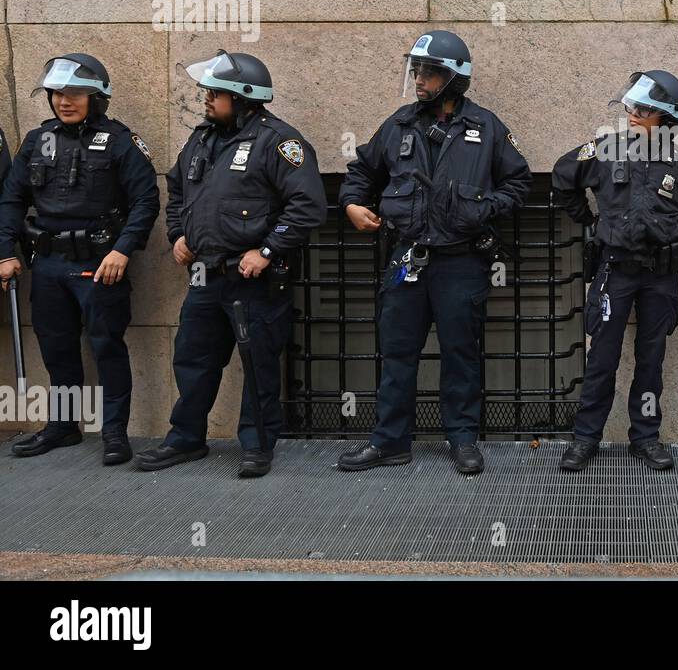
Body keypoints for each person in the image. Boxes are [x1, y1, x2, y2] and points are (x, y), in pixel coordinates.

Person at [337, 31, 530, 476]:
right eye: (417, 70)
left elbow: (518, 184)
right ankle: (389, 442)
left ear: (453, 78)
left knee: (461, 352)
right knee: (397, 352)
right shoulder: (399, 124)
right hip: (408, 257)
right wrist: (351, 205)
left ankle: (462, 439)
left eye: (428, 72)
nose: (419, 80)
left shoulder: (486, 127)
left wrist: (483, 209)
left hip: (461, 261)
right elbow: (362, 172)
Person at [137, 51, 325, 478]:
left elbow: (308, 207)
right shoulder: (202, 138)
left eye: (215, 92)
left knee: (258, 365)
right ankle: (185, 439)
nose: (206, 98)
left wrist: (267, 251)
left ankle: (257, 445)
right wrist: (178, 236)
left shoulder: (279, 141)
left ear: (243, 97)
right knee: (193, 359)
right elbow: (178, 189)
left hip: (253, 280)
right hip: (206, 276)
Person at [0, 54, 159, 465]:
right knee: (57, 348)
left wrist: (123, 250)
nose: (63, 101)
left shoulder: (121, 140)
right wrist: (4, 253)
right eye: (57, 93)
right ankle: (64, 426)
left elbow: (146, 201)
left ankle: (114, 432)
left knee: (107, 346)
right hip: (48, 263)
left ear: (97, 97)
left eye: (74, 94)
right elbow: (12, 198)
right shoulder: (37, 140)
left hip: (98, 262)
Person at [552, 71, 678, 472]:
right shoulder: (605, 149)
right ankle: (585, 438)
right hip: (614, 270)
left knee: (652, 357)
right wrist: (590, 221)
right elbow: (563, 178)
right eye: (631, 106)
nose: (632, 114)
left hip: (660, 274)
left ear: (666, 117)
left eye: (644, 109)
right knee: (603, 357)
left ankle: (646, 438)